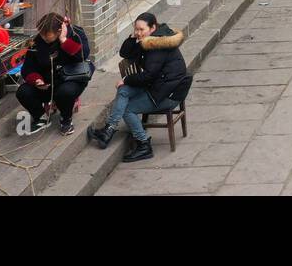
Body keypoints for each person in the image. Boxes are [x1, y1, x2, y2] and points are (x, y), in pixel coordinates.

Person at [86, 12, 187, 163]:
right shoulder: (148, 39)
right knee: (124, 90)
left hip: (168, 93)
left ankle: (144, 144)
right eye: (136, 29)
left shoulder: (157, 45)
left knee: (128, 109)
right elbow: (124, 53)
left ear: (153, 28)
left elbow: (148, 76)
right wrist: (134, 37)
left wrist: (126, 79)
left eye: (141, 29)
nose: (138, 33)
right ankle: (109, 129)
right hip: (157, 85)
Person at [16, 12, 90, 136]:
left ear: (59, 31)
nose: (44, 38)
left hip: (69, 79)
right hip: (46, 83)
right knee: (23, 92)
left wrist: (64, 40)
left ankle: (66, 119)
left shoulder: (75, 33)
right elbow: (27, 68)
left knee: (65, 92)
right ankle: (41, 117)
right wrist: (36, 80)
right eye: (42, 35)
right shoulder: (36, 42)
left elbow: (83, 55)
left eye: (47, 36)